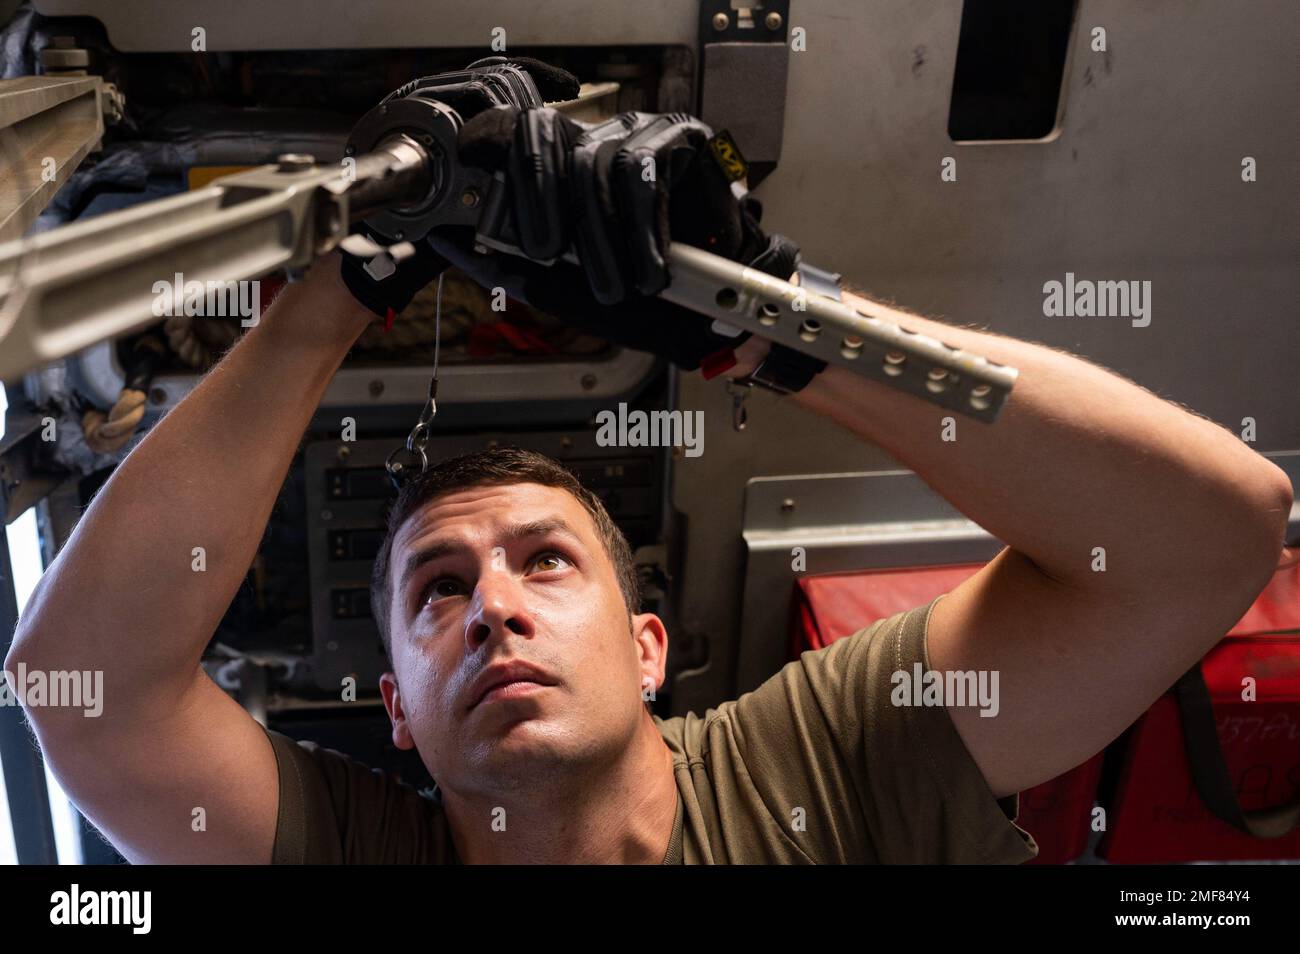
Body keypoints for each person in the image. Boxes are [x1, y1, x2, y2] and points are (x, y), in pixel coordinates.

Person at [6, 61, 1290, 865]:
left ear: (647, 649)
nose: (491, 606)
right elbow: (81, 691)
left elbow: (1210, 533)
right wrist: (340, 288)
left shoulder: (823, 766)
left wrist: (772, 325)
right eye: (435, 592)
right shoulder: (359, 849)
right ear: (393, 705)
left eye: (545, 562)